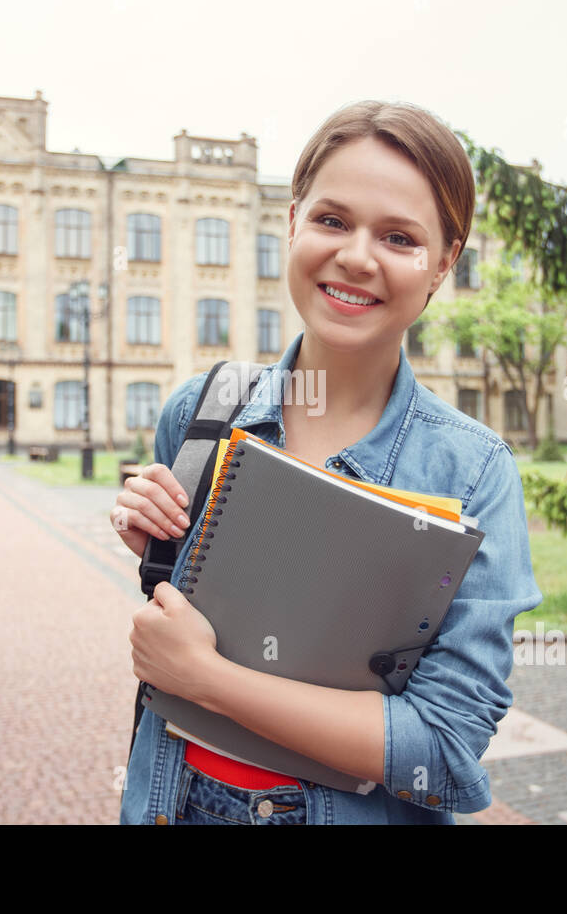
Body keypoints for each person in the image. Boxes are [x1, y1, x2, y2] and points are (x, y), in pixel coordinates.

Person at [109, 100, 544, 825]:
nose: (356, 256)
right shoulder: (201, 412)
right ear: (291, 222)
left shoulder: (472, 473)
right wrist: (156, 545)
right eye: (333, 220)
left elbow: (441, 750)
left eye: (399, 237)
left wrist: (206, 679)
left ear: (442, 265)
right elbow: (189, 619)